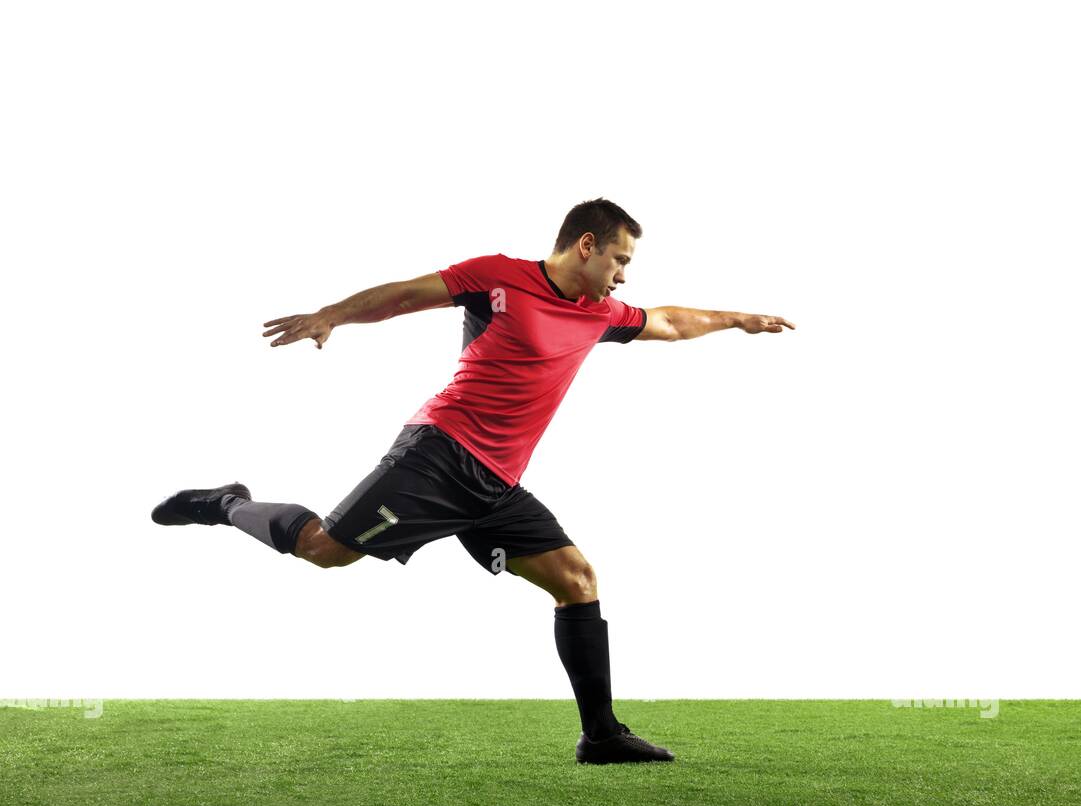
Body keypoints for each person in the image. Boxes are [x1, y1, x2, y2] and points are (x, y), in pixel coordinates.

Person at [152, 198, 795, 764]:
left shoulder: (599, 313)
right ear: (587, 245)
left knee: (577, 581)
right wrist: (332, 315)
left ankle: (601, 736)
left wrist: (740, 319)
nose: (623, 275)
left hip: (497, 485)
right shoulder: (500, 278)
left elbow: (671, 321)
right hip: (438, 458)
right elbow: (406, 295)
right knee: (324, 550)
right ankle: (226, 503)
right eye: (619, 260)